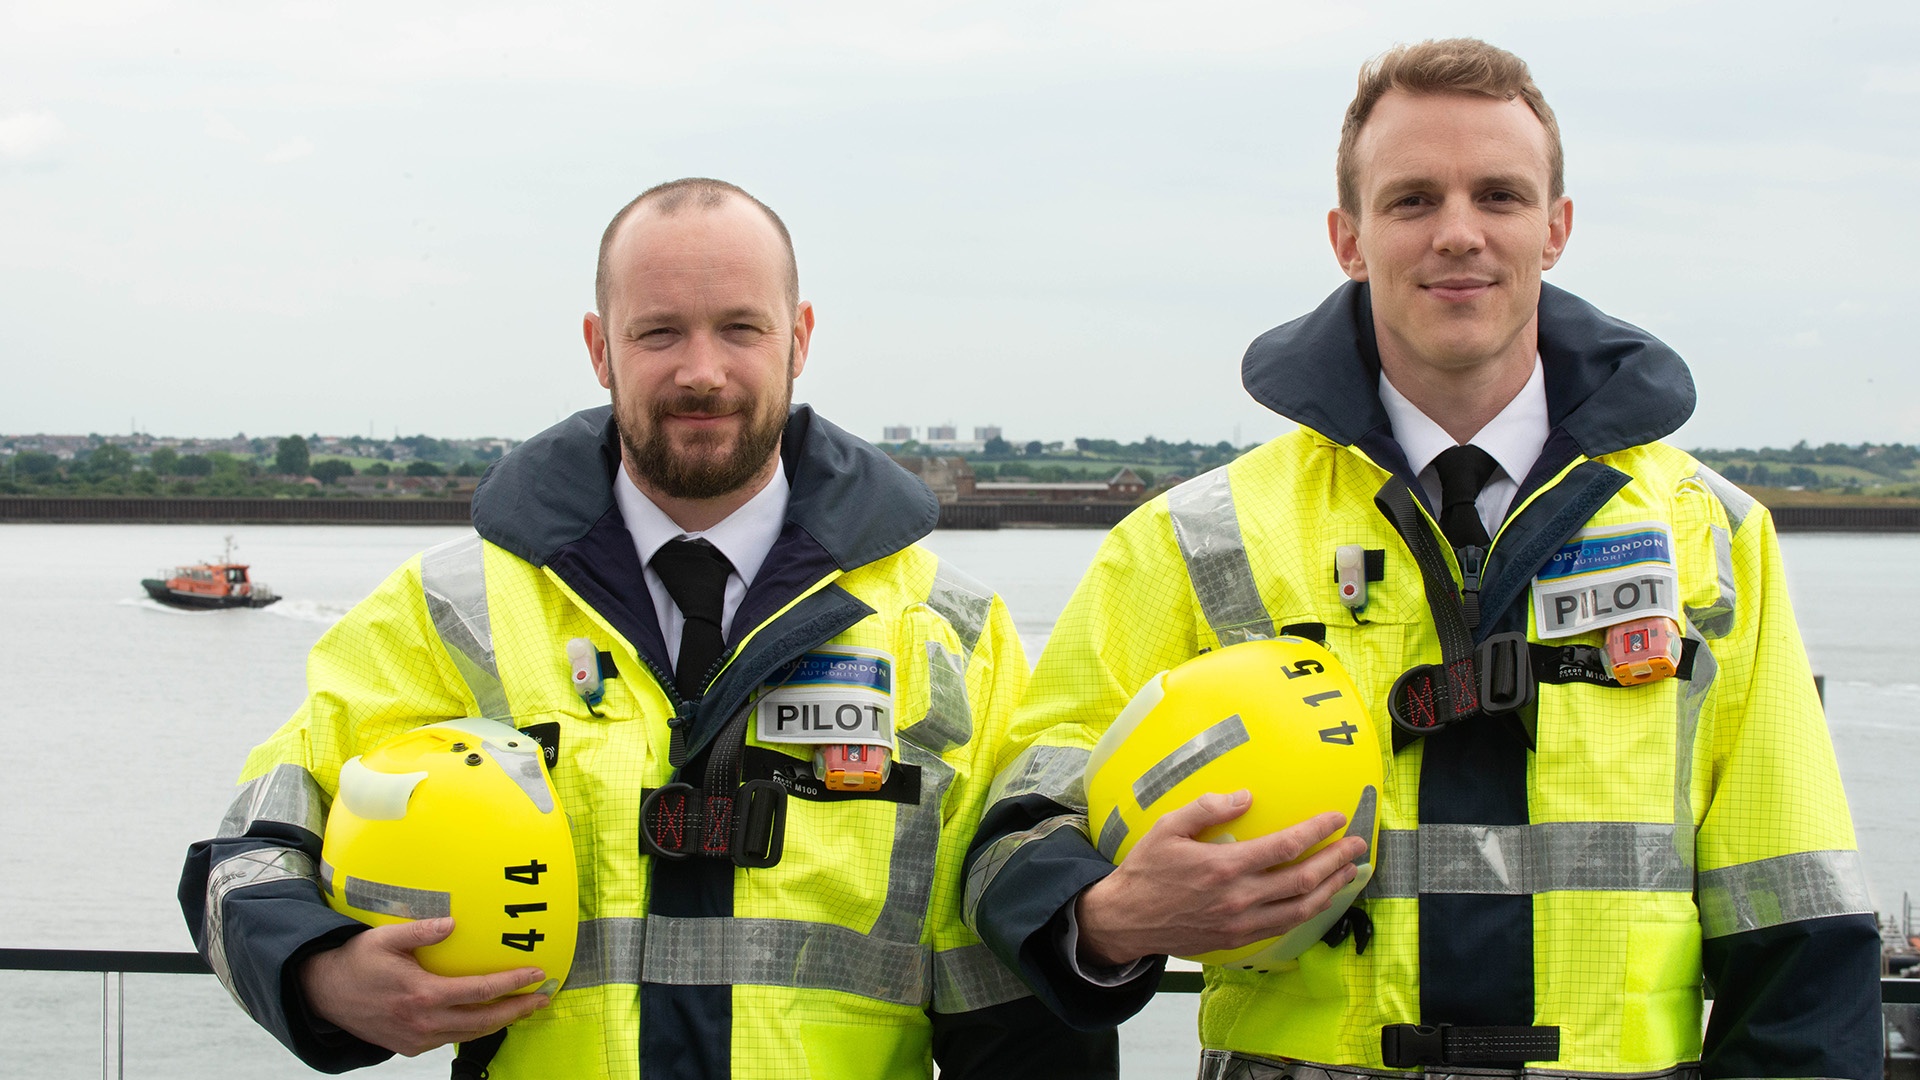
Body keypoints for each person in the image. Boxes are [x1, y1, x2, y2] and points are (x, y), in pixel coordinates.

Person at [963, 39, 1881, 1079]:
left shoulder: (1710, 536)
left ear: (1556, 228)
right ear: (1347, 238)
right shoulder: (1190, 541)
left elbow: (1801, 920)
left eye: (1498, 194)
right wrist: (1108, 916)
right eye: (1411, 201)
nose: (1458, 233)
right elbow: (1016, 827)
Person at [180, 178, 1117, 1079]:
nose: (701, 372)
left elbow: (1014, 982)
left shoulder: (950, 631)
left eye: (741, 329)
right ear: (600, 348)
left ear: (800, 339)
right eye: (659, 331)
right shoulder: (445, 613)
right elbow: (252, 842)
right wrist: (317, 972)